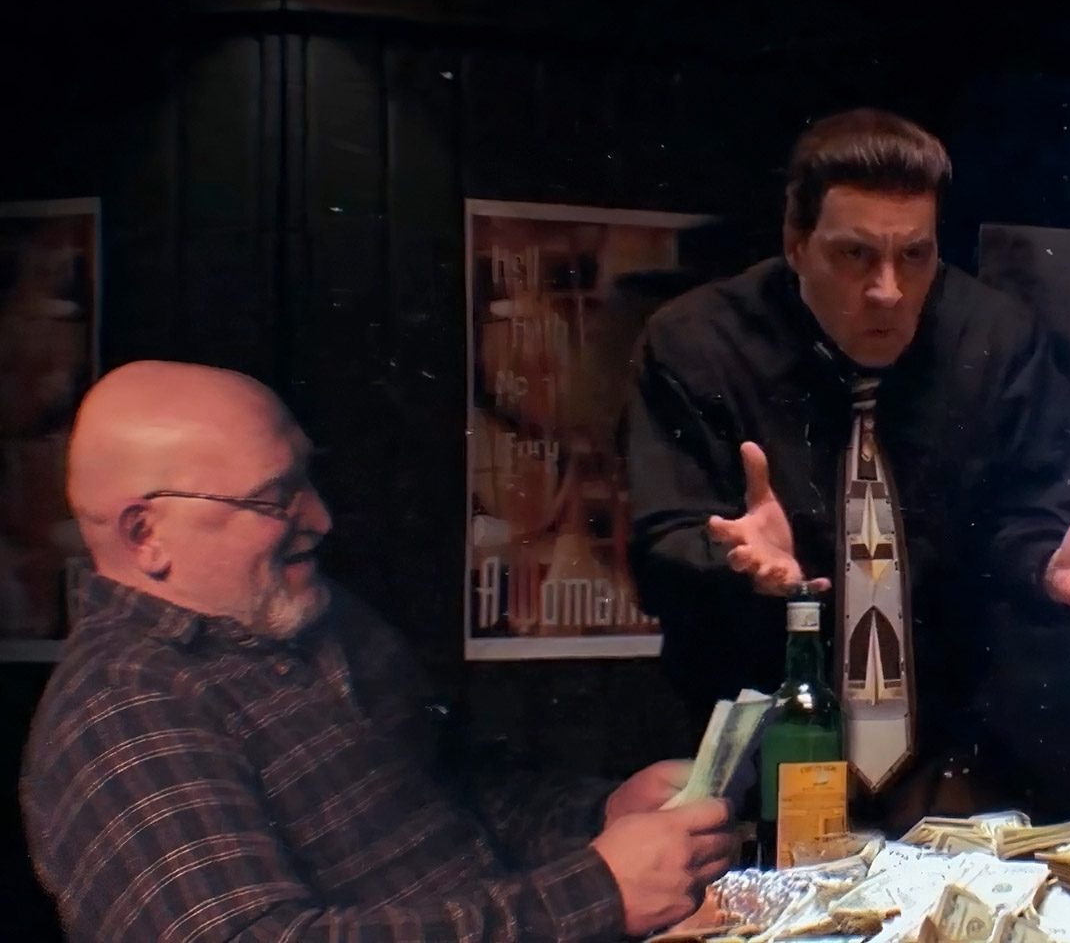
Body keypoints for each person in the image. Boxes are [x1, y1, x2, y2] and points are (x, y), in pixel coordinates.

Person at [627, 108, 1070, 828]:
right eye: (854, 255)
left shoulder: (996, 339)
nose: (889, 291)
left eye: (914, 256)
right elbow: (661, 544)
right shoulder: (697, 344)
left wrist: (1049, 565)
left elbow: (1026, 515)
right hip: (764, 748)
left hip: (957, 746)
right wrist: (737, 559)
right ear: (796, 244)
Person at [20, 361, 736, 943]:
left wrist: (603, 816)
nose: (319, 517)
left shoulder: (318, 619)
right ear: (145, 535)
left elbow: (462, 793)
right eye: (274, 499)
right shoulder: (124, 710)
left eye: (306, 479)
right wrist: (597, 893)